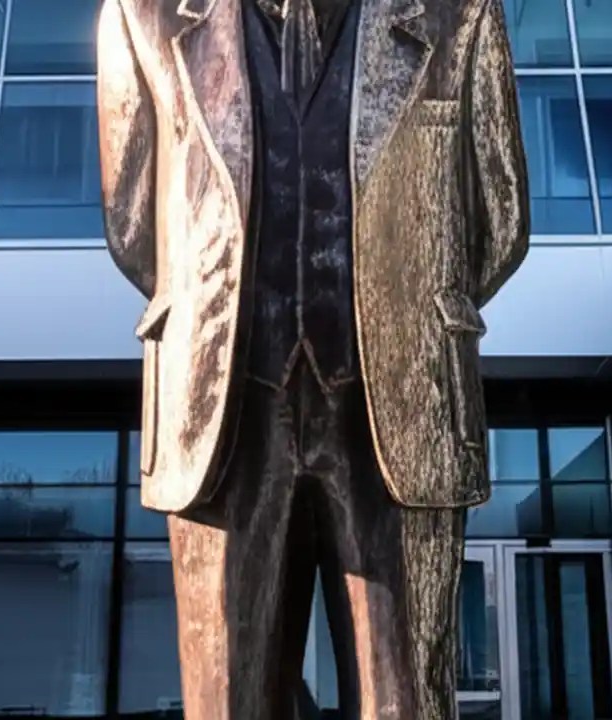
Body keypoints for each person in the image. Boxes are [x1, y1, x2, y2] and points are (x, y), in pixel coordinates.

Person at [97, 0, 529, 717]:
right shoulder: (142, 14)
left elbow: (500, 217)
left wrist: (404, 312)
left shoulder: (460, 13)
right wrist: (220, 313)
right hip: (222, 407)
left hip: (399, 401)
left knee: (405, 702)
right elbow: (133, 221)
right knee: (228, 700)